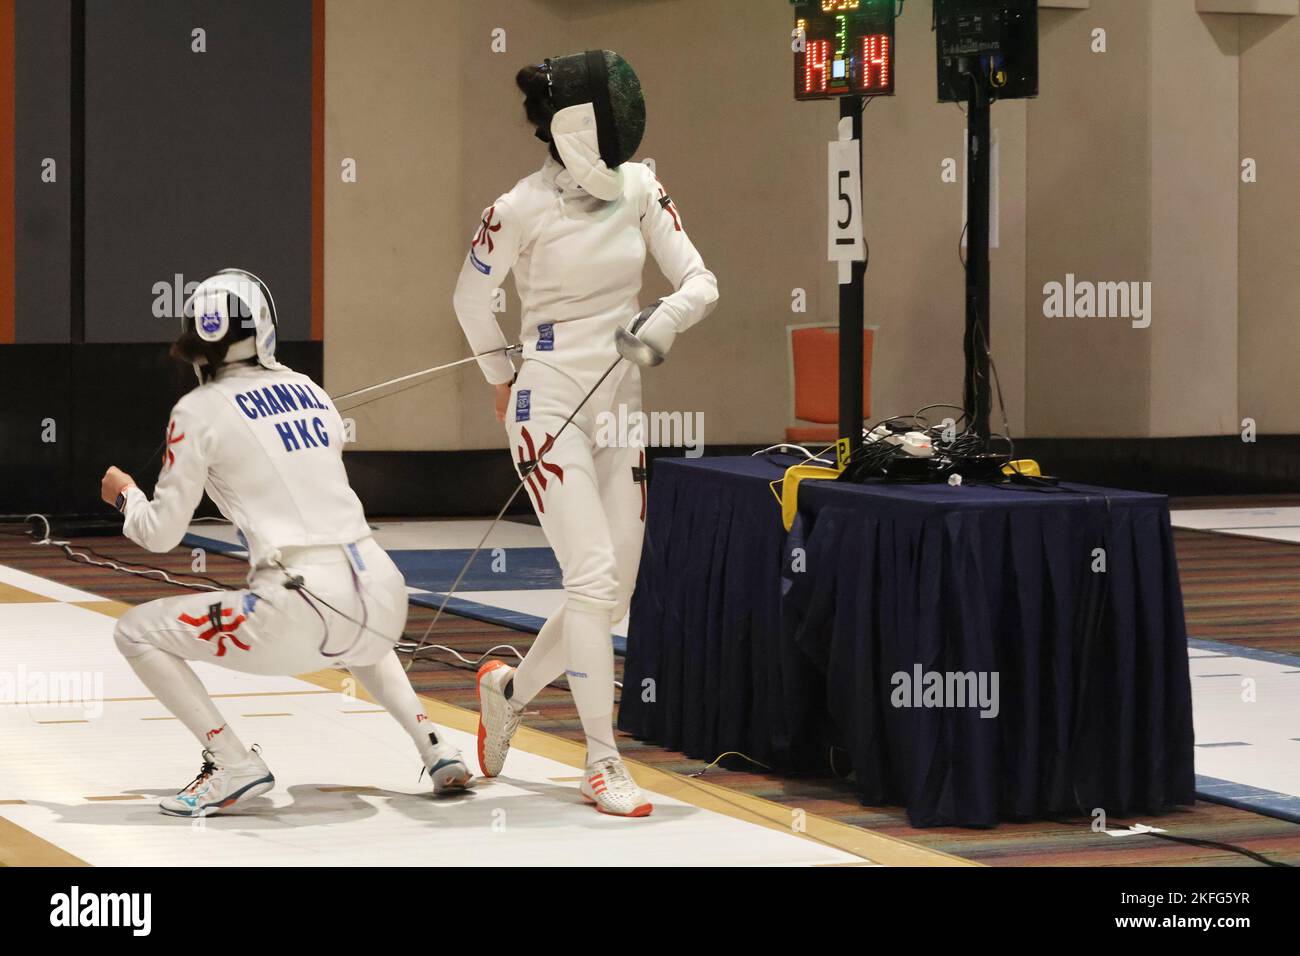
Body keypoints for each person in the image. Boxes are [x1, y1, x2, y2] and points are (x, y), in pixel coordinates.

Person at [101, 268, 471, 817]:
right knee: (355, 626)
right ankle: (436, 748)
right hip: (384, 594)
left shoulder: (195, 412)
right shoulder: (312, 392)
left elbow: (160, 534)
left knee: (134, 632)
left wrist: (126, 496)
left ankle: (231, 762)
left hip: (294, 611)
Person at [454, 51, 718, 816]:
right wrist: (502, 383)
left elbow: (700, 281)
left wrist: (656, 322)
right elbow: (470, 300)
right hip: (547, 405)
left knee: (610, 594)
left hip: (620, 407)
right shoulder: (518, 208)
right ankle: (601, 762)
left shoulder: (639, 188)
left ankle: (507, 690)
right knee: (592, 576)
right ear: (578, 128)